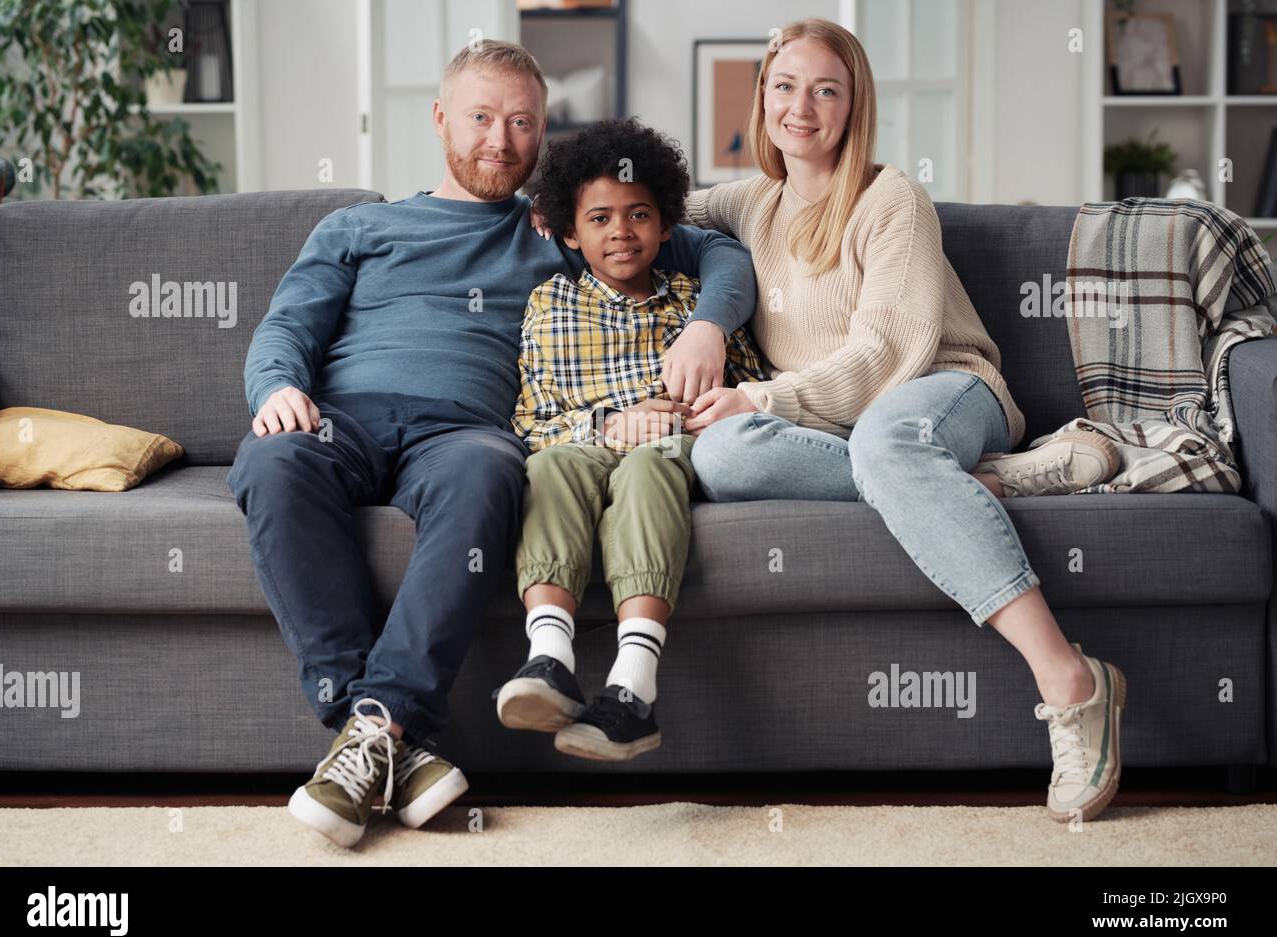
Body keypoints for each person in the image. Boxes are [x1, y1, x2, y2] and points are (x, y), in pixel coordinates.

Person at [226, 41, 756, 847]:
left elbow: (718, 249)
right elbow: (287, 325)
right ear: (441, 119)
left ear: (542, 133)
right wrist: (278, 390)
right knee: (269, 459)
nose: (500, 142)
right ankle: (383, 735)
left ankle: (368, 740)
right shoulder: (361, 226)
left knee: (492, 472)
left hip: (465, 433)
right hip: (345, 417)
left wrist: (709, 326)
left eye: (521, 123)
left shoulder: (564, 225)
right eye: (480, 118)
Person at [679, 18, 1126, 822]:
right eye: (784, 86)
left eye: (825, 89)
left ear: (855, 105)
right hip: (852, 432)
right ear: (762, 99)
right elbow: (643, 205)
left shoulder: (893, 200)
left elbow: (885, 352)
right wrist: (552, 211)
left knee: (887, 440)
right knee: (721, 454)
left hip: (942, 387)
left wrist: (764, 397)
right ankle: (973, 487)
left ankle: (1072, 679)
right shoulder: (750, 203)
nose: (800, 107)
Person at [495, 118, 766, 761]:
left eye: (639, 214)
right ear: (567, 232)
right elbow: (531, 422)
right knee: (553, 467)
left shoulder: (695, 306)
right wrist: (607, 426)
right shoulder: (549, 306)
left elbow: (749, 391)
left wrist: (692, 414)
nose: (621, 231)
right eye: (599, 219)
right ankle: (550, 658)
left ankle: (633, 689)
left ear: (668, 224)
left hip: (668, 451)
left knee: (647, 466)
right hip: (584, 444)